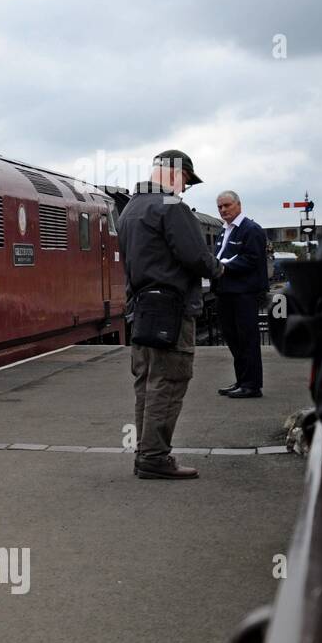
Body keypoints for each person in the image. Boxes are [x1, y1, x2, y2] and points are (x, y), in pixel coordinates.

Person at [117, 149, 224, 479]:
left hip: (141, 307)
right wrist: (219, 269)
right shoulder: (171, 206)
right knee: (169, 380)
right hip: (171, 310)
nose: (185, 188)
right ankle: (154, 457)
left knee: (146, 382)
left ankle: (146, 452)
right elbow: (195, 255)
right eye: (187, 181)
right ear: (176, 174)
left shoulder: (130, 208)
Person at [213, 190, 268, 398]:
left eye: (227, 205)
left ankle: (252, 385)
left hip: (244, 294)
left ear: (239, 205)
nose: (223, 210)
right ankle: (242, 380)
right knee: (233, 339)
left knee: (247, 339)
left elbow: (251, 259)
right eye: (220, 207)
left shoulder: (251, 230)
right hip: (226, 293)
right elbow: (219, 256)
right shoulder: (224, 231)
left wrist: (223, 267)